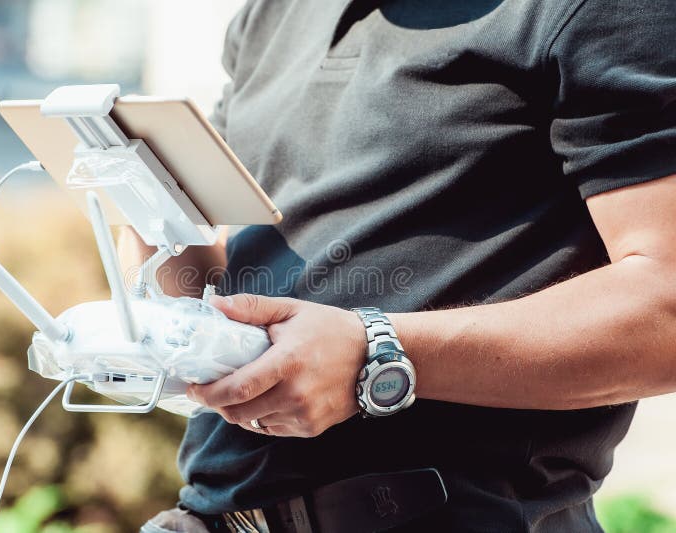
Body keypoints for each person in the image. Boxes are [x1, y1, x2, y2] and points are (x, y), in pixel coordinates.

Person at [122, 1, 676, 531]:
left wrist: (376, 352)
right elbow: (217, 279)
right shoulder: (272, 12)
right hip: (211, 512)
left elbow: (665, 302)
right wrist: (148, 215)